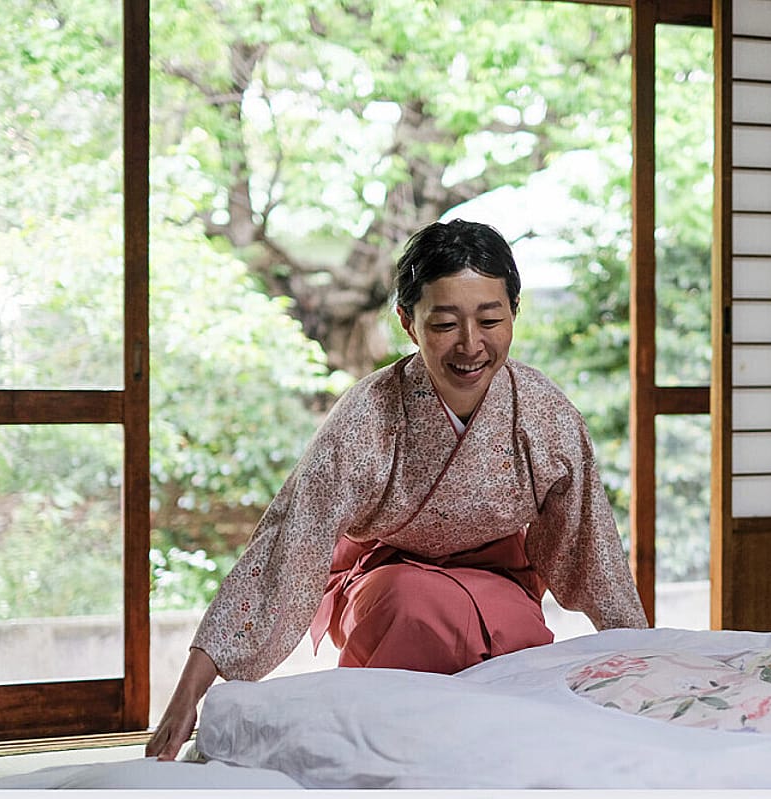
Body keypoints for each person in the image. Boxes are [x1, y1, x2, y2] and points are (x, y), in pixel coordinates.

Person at [146, 219, 647, 760]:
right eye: (445, 324)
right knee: (412, 605)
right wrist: (189, 692)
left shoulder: (544, 415)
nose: (470, 345)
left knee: (514, 657)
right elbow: (285, 550)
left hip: (502, 588)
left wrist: (644, 660)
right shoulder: (368, 414)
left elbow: (590, 552)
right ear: (409, 322)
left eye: (490, 320)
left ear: (514, 314)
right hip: (385, 587)